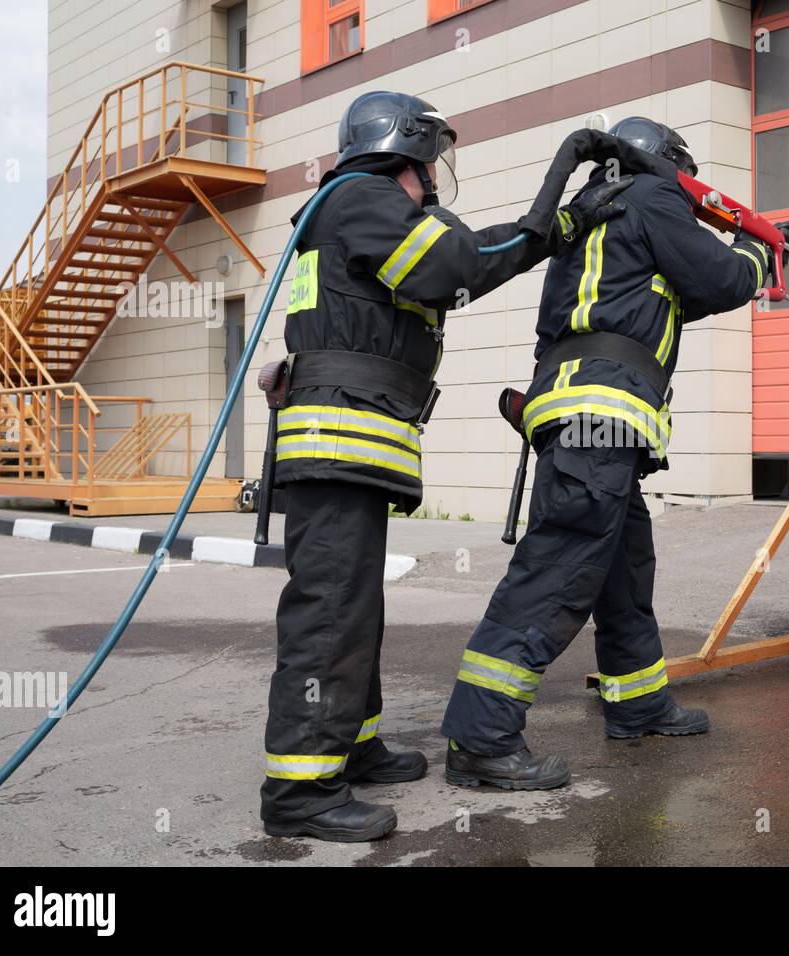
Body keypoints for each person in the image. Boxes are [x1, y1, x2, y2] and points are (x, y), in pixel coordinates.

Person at [261, 92, 633, 842]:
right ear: (403, 153)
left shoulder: (348, 211)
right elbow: (457, 267)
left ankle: (352, 743)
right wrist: (553, 203)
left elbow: (465, 264)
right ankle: (299, 791)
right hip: (339, 442)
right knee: (330, 608)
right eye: (429, 163)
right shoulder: (363, 199)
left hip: (346, 443)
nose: (434, 179)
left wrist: (552, 230)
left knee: (351, 601)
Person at [439, 116, 788, 790]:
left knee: (623, 569)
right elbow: (718, 277)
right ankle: (480, 738)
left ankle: (637, 703)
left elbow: (677, 292)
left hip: (585, 416)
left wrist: (755, 254)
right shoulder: (649, 196)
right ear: (664, 163)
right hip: (599, 416)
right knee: (559, 569)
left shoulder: (598, 216)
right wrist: (758, 247)